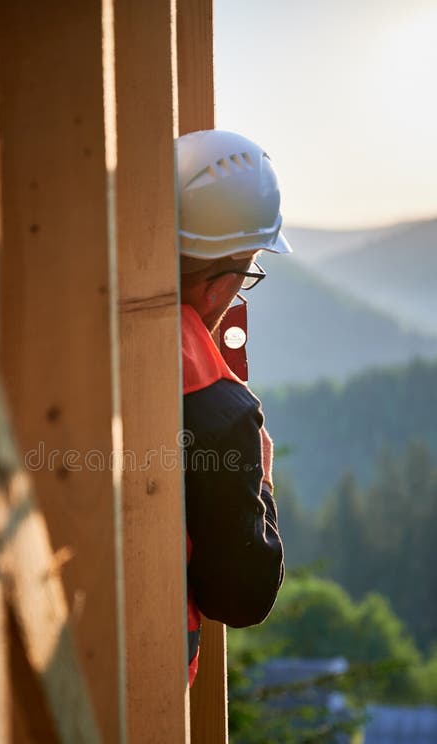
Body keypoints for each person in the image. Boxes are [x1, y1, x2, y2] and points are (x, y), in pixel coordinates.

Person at [176, 129, 290, 685]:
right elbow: (243, 599)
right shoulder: (222, 415)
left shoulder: (83, 321)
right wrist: (260, 479)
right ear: (216, 287)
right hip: (145, 691)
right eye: (246, 273)